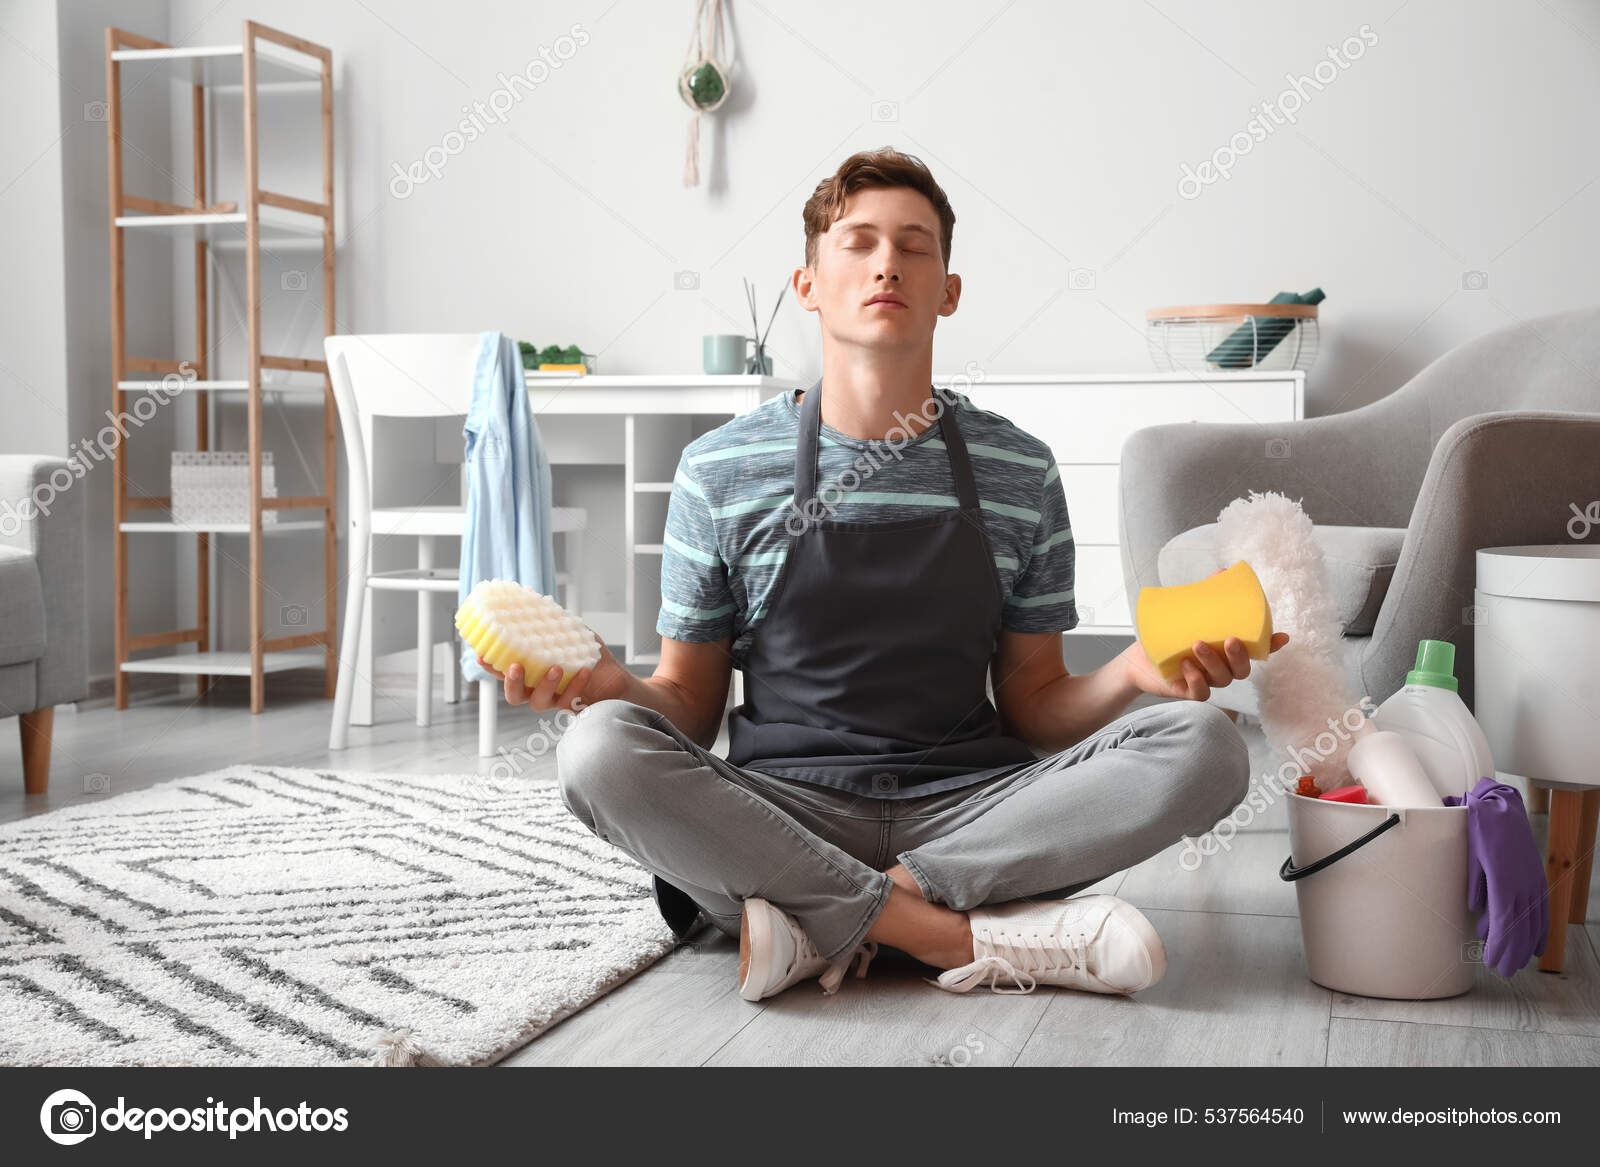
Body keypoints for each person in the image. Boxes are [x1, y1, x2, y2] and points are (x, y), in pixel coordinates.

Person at [480, 147, 1287, 1001]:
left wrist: (1131, 670)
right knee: (599, 748)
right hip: (785, 808)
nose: (886, 263)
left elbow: (1036, 706)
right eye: (858, 242)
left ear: (948, 290)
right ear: (809, 283)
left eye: (914, 245)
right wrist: (606, 682)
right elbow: (687, 706)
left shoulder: (1019, 470)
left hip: (971, 809)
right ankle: (949, 935)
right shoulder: (719, 471)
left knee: (1206, 746)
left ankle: (822, 918)